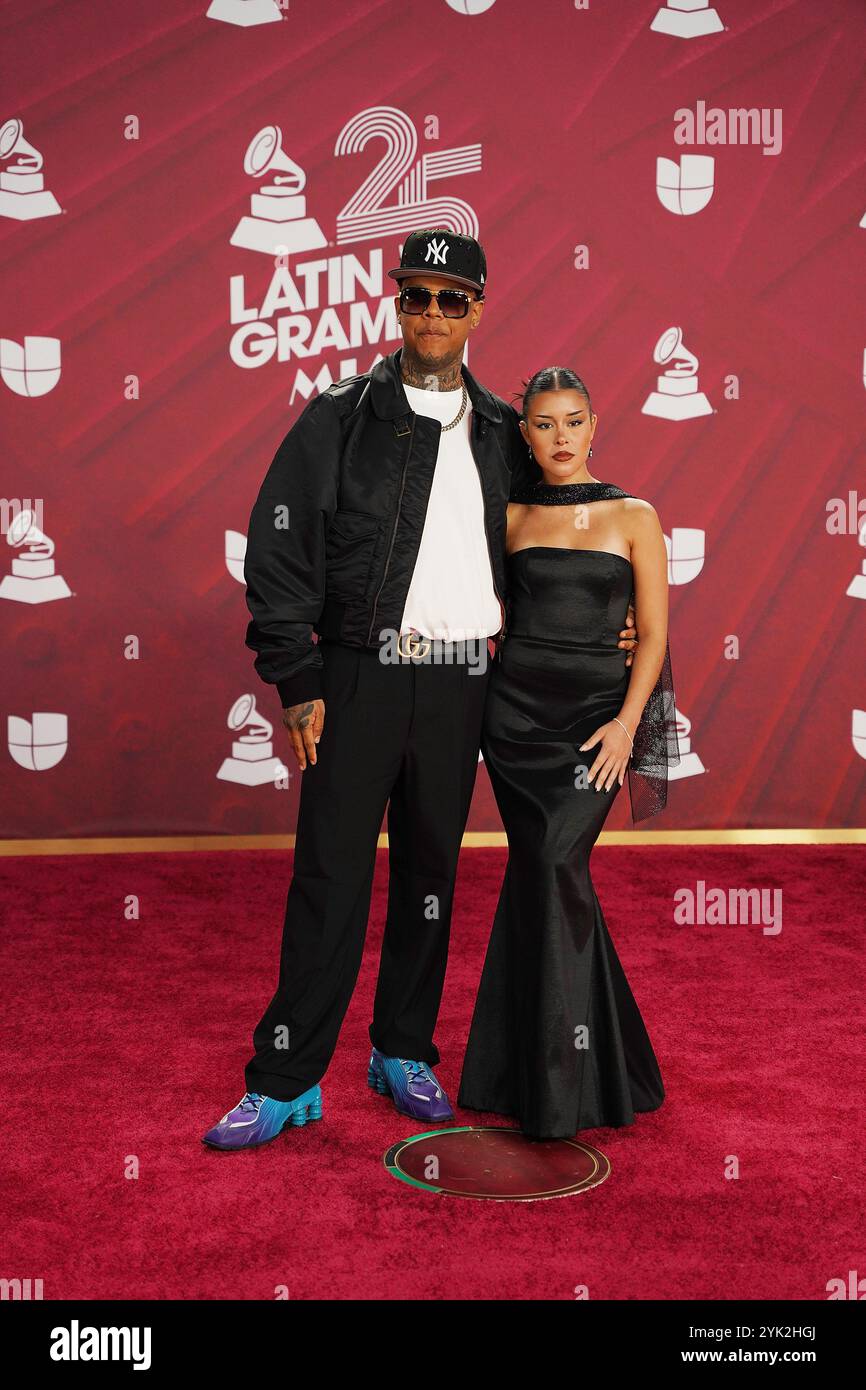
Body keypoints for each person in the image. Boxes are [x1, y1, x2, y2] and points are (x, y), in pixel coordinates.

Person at [202, 232, 640, 1151]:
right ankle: (286, 1074)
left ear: (477, 310)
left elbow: (552, 533)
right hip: (359, 672)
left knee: (432, 876)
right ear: (395, 303)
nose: (434, 313)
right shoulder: (339, 417)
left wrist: (609, 616)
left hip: (465, 680)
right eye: (418, 296)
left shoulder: (499, 429)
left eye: (453, 298)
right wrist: (297, 676)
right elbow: (279, 547)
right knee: (331, 872)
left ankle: (403, 1048)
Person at [458, 367, 679, 1141]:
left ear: (594, 425)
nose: (559, 437)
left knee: (554, 867)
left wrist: (625, 726)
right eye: (544, 424)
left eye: (573, 421)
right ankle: (555, 1075)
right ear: (525, 433)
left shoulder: (634, 515)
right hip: (514, 719)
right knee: (542, 874)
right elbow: (474, 604)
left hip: (594, 724)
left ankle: (557, 1081)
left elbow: (651, 635)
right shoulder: (508, 515)